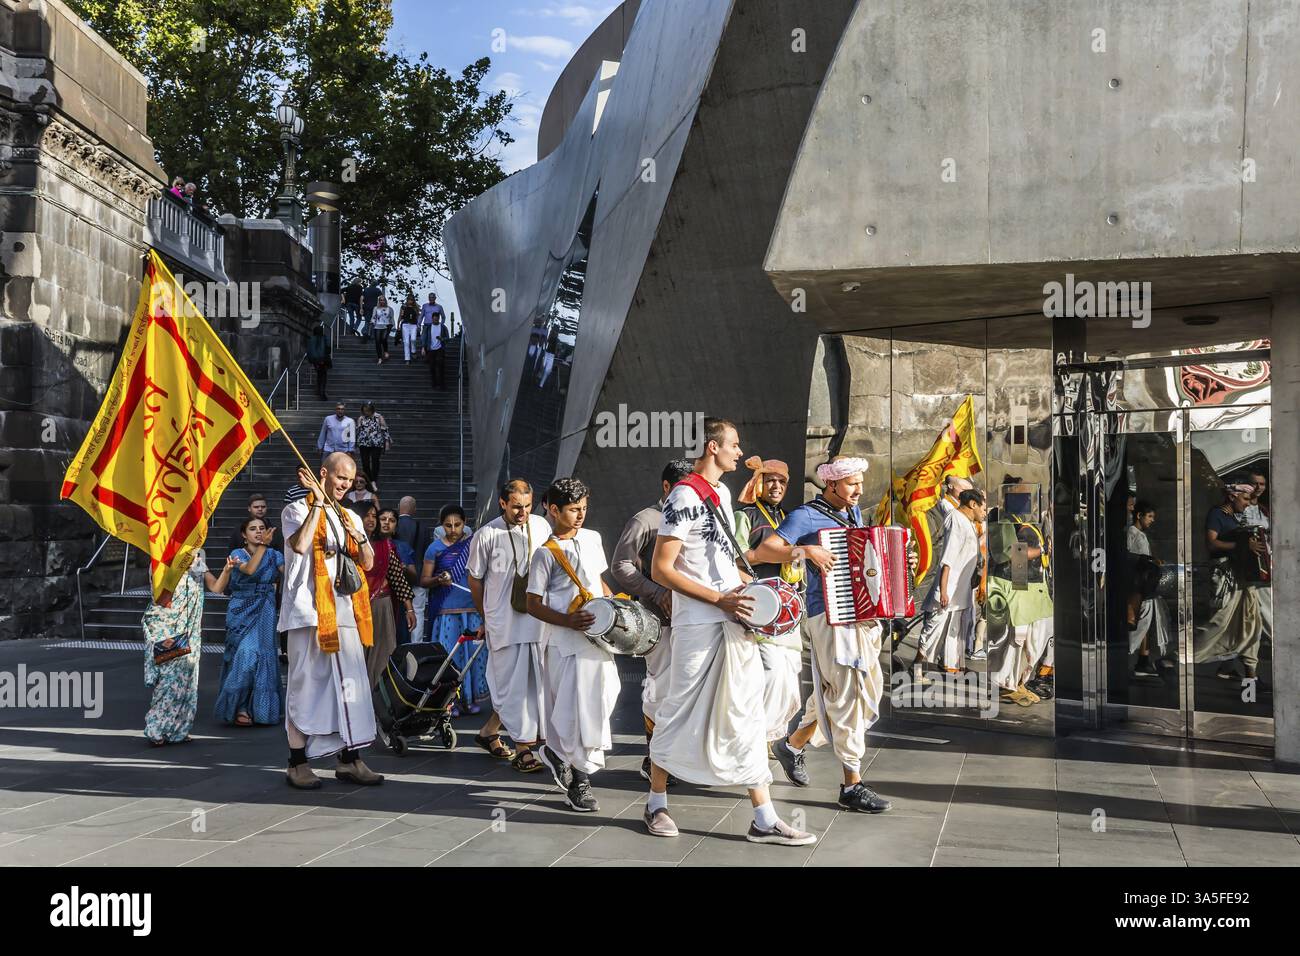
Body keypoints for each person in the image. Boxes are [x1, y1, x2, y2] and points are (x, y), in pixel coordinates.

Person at [645, 417, 815, 845]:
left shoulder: (720, 493)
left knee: (744, 714)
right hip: (698, 623)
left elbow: (724, 561)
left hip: (733, 618)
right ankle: (656, 803)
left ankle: (763, 816)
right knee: (677, 710)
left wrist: (746, 589)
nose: (740, 452)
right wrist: (717, 599)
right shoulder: (683, 495)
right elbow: (661, 569)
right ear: (711, 446)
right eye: (734, 445)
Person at [746, 456, 893, 814]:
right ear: (831, 485)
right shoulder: (806, 515)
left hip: (854, 613)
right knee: (848, 693)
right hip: (827, 611)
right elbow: (763, 550)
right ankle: (851, 784)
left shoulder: (851, 513)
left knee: (842, 688)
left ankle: (792, 744)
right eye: (851, 484)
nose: (859, 490)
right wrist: (805, 550)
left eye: (859, 483)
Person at [279, 454, 384, 789]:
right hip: (309, 613)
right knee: (305, 685)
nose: (345, 486)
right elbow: (299, 546)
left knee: (350, 688)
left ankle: (349, 759)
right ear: (323, 474)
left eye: (350, 481)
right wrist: (319, 505)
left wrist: (361, 534)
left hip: (346, 613)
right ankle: (297, 763)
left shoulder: (350, 515)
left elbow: (367, 563)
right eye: (340, 478)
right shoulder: (295, 510)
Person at [526, 478, 620, 812]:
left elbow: (599, 581)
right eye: (572, 509)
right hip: (564, 641)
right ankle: (580, 782)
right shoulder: (544, 555)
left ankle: (555, 751)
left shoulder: (593, 539)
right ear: (553, 510)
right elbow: (532, 603)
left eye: (583, 508)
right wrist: (568, 621)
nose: (580, 515)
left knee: (605, 698)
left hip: (599, 638)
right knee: (577, 711)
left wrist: (618, 608)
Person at [609, 458, 694, 782]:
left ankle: (675, 757)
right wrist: (658, 592)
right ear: (666, 487)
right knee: (660, 691)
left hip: (693, 621)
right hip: (659, 622)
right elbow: (621, 566)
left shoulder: (696, 518)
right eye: (684, 487)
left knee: (684, 691)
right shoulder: (645, 520)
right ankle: (652, 760)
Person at [466, 479, 554, 771]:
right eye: (516, 507)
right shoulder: (486, 534)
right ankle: (524, 750)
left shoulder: (541, 526)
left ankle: (490, 731)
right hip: (503, 622)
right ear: (503, 503)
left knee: (532, 687)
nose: (523, 513)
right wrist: (485, 616)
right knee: (511, 687)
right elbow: (475, 578)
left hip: (538, 620)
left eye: (527, 506)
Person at [732, 456, 803, 749]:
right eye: (770, 480)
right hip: (760, 607)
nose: (776, 486)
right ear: (758, 483)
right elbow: (735, 558)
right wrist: (769, 555)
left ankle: (774, 738)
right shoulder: (745, 515)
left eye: (782, 482)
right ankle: (758, 740)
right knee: (772, 674)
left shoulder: (789, 518)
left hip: (789, 609)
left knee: (792, 676)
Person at [211, 517, 285, 726]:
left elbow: (291, 573)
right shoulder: (237, 554)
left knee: (262, 656)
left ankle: (257, 709)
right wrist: (263, 546)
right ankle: (238, 706)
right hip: (241, 607)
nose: (258, 532)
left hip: (266, 608)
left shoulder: (274, 555)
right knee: (244, 655)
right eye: (253, 529)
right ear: (244, 535)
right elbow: (250, 570)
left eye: (262, 528)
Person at [1194, 482, 1266, 680]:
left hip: (1240, 576)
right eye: (1244, 499)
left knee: (1251, 622)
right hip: (1225, 576)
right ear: (1232, 497)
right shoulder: (1217, 514)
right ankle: (1177, 657)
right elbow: (1212, 543)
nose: (1247, 504)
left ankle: (1250, 676)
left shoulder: (1235, 518)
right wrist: (1242, 546)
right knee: (1219, 623)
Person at [423, 504, 489, 716]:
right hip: (446, 611)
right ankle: (449, 702)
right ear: (441, 525)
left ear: (465, 523)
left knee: (473, 658)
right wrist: (438, 580)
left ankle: (469, 701)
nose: (452, 529)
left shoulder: (473, 545)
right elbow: (424, 580)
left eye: (457, 525)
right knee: (450, 659)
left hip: (472, 608)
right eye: (447, 525)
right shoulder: (434, 548)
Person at [913, 488, 985, 679]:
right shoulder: (956, 520)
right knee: (933, 629)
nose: (984, 513)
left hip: (961, 590)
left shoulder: (968, 522)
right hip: (949, 589)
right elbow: (948, 559)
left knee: (956, 631)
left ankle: (953, 666)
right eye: (983, 508)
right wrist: (943, 590)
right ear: (973, 504)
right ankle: (917, 666)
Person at [143, 550, 213, 746]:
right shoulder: (161, 557)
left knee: (188, 679)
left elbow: (214, 585)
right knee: (168, 679)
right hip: (168, 625)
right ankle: (156, 728)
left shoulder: (198, 556)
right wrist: (181, 565)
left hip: (190, 628)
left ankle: (178, 730)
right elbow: (161, 595)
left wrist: (227, 569)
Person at [361, 503, 415, 692]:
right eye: (366, 515)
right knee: (356, 657)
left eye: (373, 516)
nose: (371, 520)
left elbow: (398, 579)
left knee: (382, 656)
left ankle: (377, 700)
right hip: (354, 608)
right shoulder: (348, 543)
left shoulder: (385, 546)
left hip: (380, 606)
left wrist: (409, 609)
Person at [380, 508, 418, 644]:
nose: (386, 523)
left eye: (391, 520)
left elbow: (413, 578)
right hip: (374, 601)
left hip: (397, 601)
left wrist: (404, 569)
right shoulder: (367, 544)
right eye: (383, 519)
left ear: (396, 527)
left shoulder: (401, 547)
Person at [395, 497, 430, 639]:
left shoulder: (392, 524)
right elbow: (426, 552)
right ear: (414, 509)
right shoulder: (423, 527)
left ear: (398, 507)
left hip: (396, 578)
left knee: (396, 612)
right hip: (418, 576)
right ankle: (416, 645)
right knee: (418, 612)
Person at [356, 402, 391, 493]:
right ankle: (369, 480)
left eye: (368, 411)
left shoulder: (378, 417)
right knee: (365, 462)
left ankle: (374, 480)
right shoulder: (361, 418)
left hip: (376, 442)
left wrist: (386, 442)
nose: (366, 412)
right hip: (364, 443)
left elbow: (385, 429)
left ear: (372, 410)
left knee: (375, 461)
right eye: (364, 411)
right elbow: (358, 431)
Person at [423, 294, 450, 388]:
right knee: (432, 367)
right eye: (434, 319)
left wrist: (442, 339)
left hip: (440, 349)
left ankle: (442, 383)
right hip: (431, 349)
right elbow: (425, 338)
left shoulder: (442, 327)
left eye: (436, 319)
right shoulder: (428, 328)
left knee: (441, 365)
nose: (435, 320)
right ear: (432, 319)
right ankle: (434, 383)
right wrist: (423, 347)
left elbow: (448, 338)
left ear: (438, 319)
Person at [307, 322, 331, 400]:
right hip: (323, 359)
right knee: (323, 375)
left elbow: (309, 350)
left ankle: (318, 389)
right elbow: (328, 348)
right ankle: (322, 392)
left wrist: (312, 360)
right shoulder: (324, 338)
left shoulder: (311, 339)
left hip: (315, 360)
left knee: (319, 374)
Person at [370, 295, 395, 364]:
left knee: (384, 339)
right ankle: (380, 358)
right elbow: (373, 316)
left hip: (386, 326)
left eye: (383, 300)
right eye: (380, 300)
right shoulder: (376, 308)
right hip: (377, 327)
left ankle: (386, 351)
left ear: (385, 301)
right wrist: (372, 321)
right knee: (377, 342)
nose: (382, 301)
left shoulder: (389, 309)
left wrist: (394, 326)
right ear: (379, 301)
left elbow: (391, 318)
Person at [398, 292, 421, 363]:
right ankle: (407, 358)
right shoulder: (403, 307)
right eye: (409, 300)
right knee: (406, 342)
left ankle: (413, 351)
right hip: (405, 325)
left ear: (413, 300)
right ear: (407, 300)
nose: (410, 301)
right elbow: (400, 316)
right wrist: (398, 325)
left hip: (413, 325)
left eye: (412, 300)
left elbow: (418, 316)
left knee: (413, 339)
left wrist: (419, 325)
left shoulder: (416, 307)